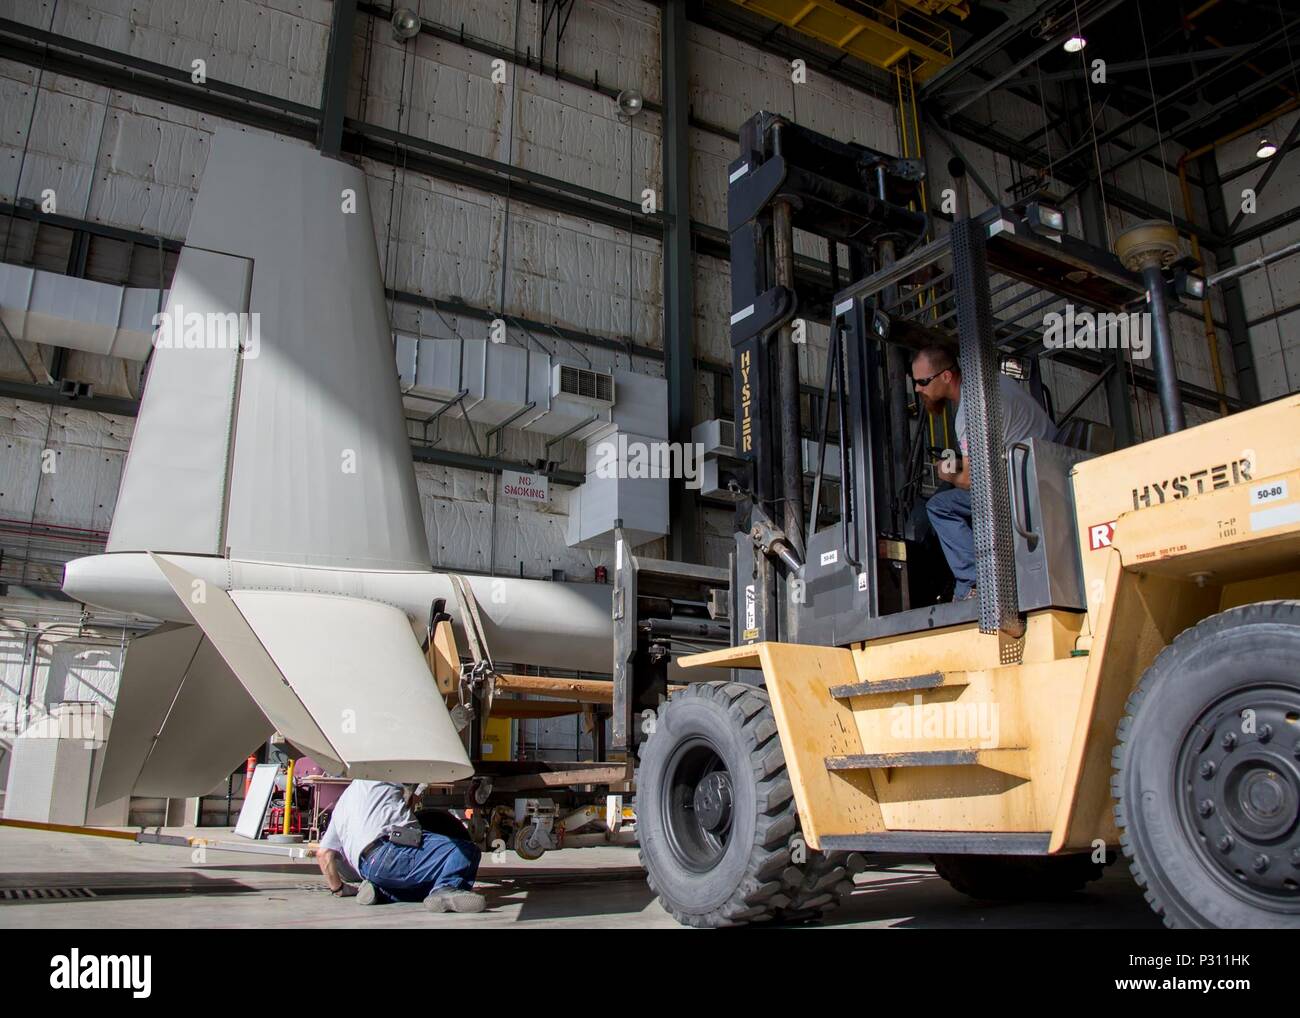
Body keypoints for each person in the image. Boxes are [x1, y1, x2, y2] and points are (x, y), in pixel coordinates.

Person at [911, 345, 1055, 601]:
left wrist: (946, 473)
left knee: (939, 506)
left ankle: (975, 582)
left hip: (1021, 486)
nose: (917, 389)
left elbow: (971, 479)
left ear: (946, 376)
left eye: (922, 382)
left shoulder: (970, 408)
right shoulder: (994, 383)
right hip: (1038, 473)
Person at [317, 779, 485, 913]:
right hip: (392, 849)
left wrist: (339, 889)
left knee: (420, 875)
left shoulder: (343, 803)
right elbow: (419, 772)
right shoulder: (384, 773)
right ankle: (447, 888)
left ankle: (383, 891)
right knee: (466, 851)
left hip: (368, 869)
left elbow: (324, 854)